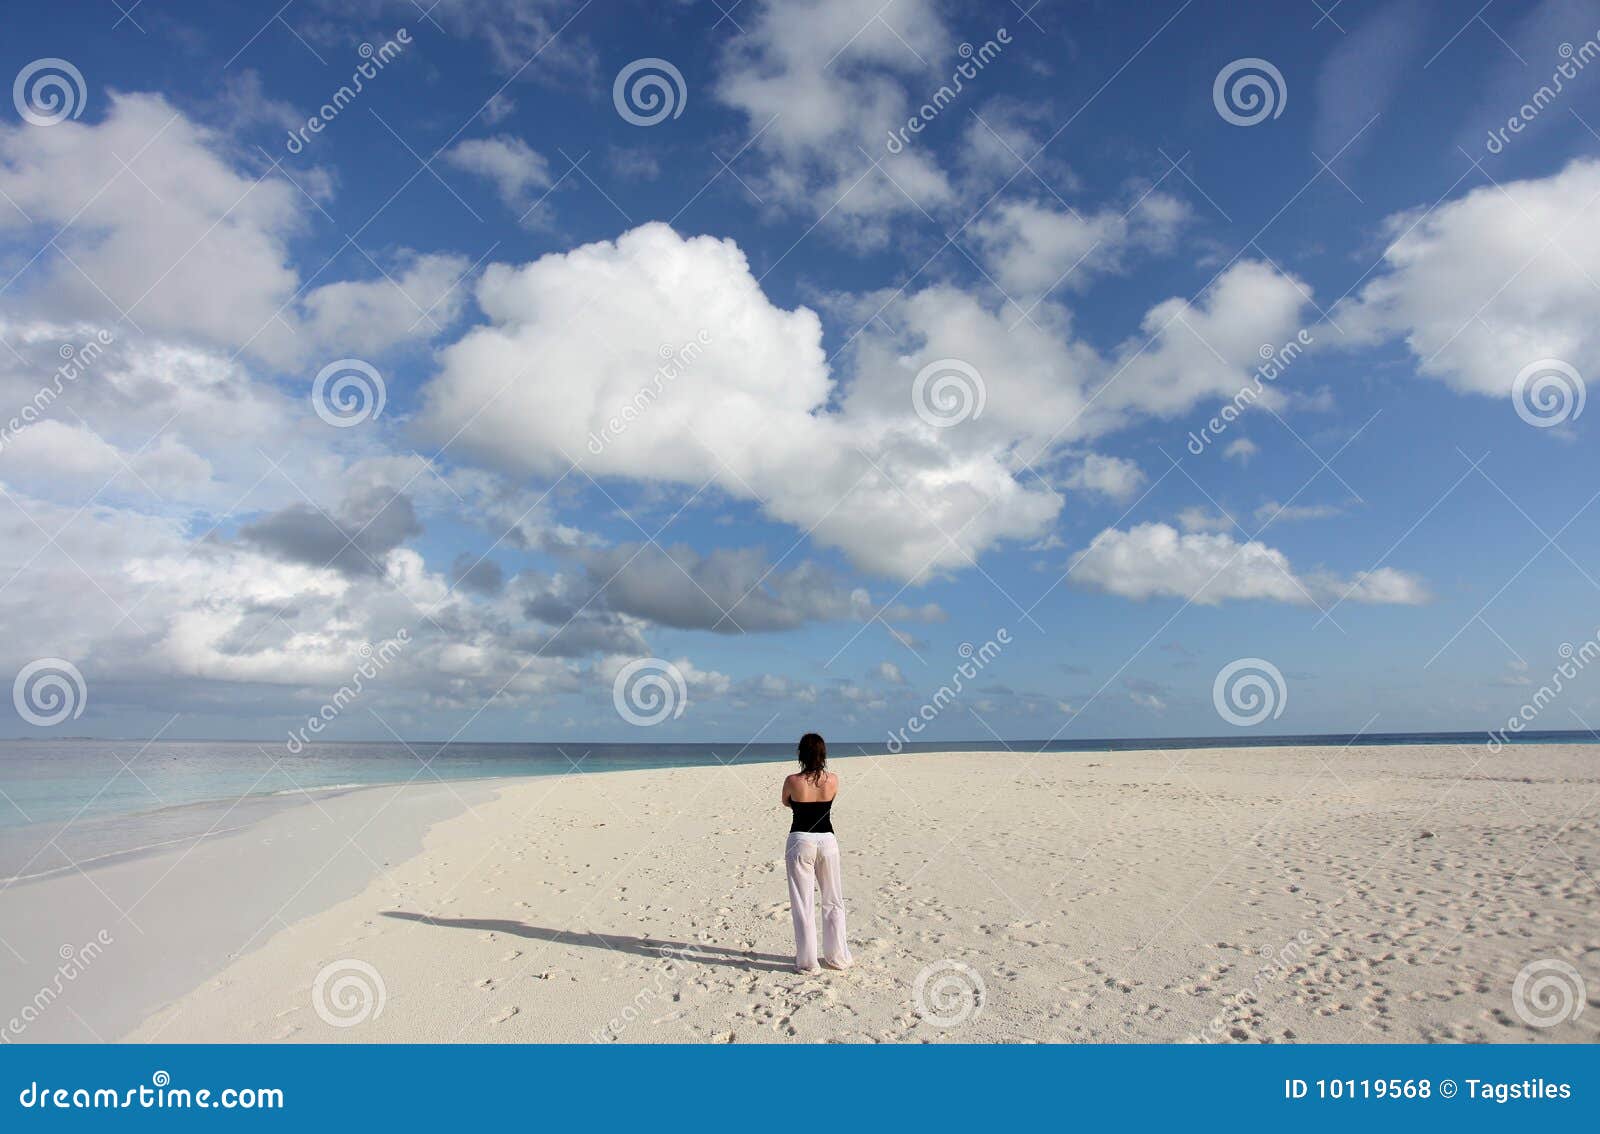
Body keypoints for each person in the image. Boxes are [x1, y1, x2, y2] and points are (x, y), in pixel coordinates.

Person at [781, 733, 852, 974]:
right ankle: (837, 957)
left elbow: (786, 802)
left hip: (801, 839)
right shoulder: (832, 780)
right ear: (823, 754)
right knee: (833, 899)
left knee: (803, 903)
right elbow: (829, 799)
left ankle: (808, 962)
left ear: (801, 754)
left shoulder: (792, 780)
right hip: (827, 840)